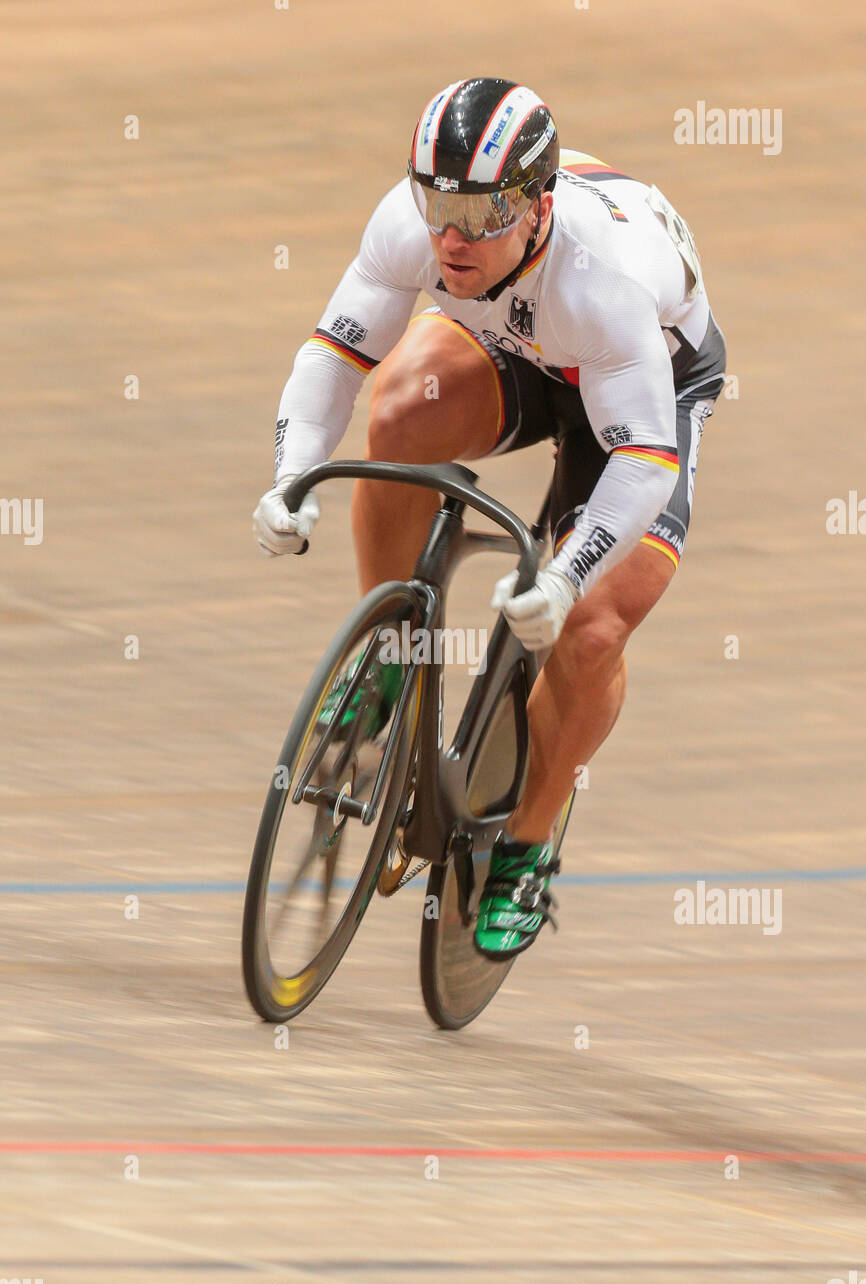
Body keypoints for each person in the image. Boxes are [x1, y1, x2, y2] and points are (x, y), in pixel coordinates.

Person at [253, 77, 726, 961]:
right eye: (438, 206)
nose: (452, 238)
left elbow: (645, 461)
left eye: (481, 215)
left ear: (539, 207)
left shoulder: (607, 280)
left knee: (589, 632)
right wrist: (290, 474)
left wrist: (565, 575)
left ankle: (529, 841)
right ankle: (390, 657)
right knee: (398, 416)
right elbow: (333, 356)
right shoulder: (415, 225)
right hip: (521, 342)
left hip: (637, 395)